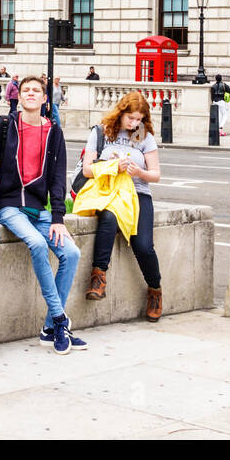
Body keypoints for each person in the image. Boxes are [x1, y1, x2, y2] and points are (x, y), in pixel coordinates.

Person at [0, 76, 85, 354]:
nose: (30, 94)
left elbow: (57, 177)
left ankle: (49, 328)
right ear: (17, 97)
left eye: (36, 91)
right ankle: (60, 318)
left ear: (45, 99)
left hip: (38, 209)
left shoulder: (53, 130)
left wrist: (57, 217)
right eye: (25, 90)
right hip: (7, 206)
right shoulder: (3, 126)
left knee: (72, 253)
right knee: (38, 244)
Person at [81, 91, 164, 322]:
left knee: (143, 245)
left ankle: (155, 290)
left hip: (138, 193)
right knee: (108, 218)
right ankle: (98, 277)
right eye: (130, 118)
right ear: (121, 112)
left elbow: (156, 175)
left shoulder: (143, 135)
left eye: (139, 119)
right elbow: (87, 169)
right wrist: (112, 166)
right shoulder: (102, 131)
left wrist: (139, 172)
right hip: (110, 191)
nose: (134, 123)